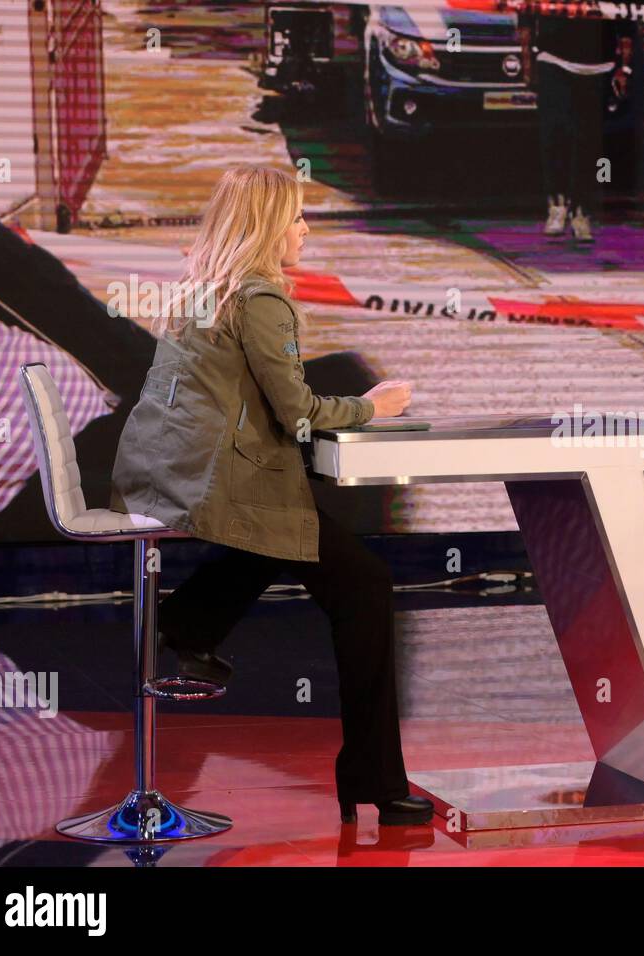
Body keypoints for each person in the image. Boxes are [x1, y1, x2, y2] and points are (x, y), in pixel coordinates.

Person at [108, 165, 433, 825]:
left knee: (290, 525)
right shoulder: (260, 298)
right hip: (217, 483)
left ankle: (191, 621)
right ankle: (373, 780)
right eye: (297, 218)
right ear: (265, 227)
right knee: (363, 582)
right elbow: (299, 413)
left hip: (166, 474)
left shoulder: (206, 287)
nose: (307, 230)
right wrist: (374, 406)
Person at [519, 6, 635, 242]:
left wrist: (624, 68)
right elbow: (526, 17)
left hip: (598, 66)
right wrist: (527, 59)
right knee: (555, 132)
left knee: (588, 141)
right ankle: (557, 205)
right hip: (554, 59)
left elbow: (626, 23)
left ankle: (581, 210)